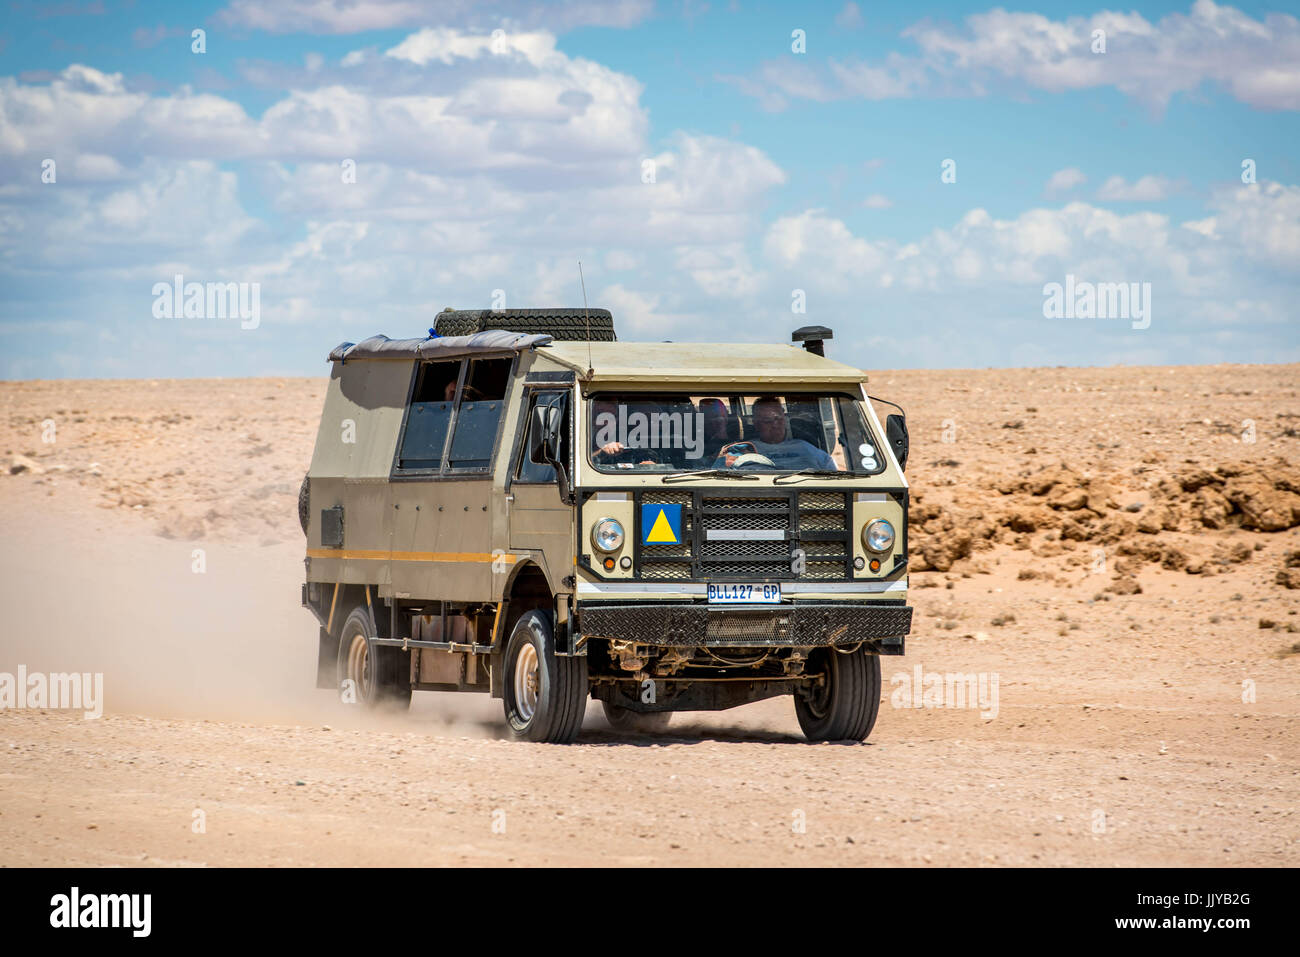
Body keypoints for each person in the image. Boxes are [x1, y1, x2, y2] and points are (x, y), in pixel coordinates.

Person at [714, 396, 836, 471]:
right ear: (756, 424)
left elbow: (833, 475)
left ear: (785, 417)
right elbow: (716, 474)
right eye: (767, 421)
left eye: (778, 419)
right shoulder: (743, 449)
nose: (775, 424)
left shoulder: (805, 448)